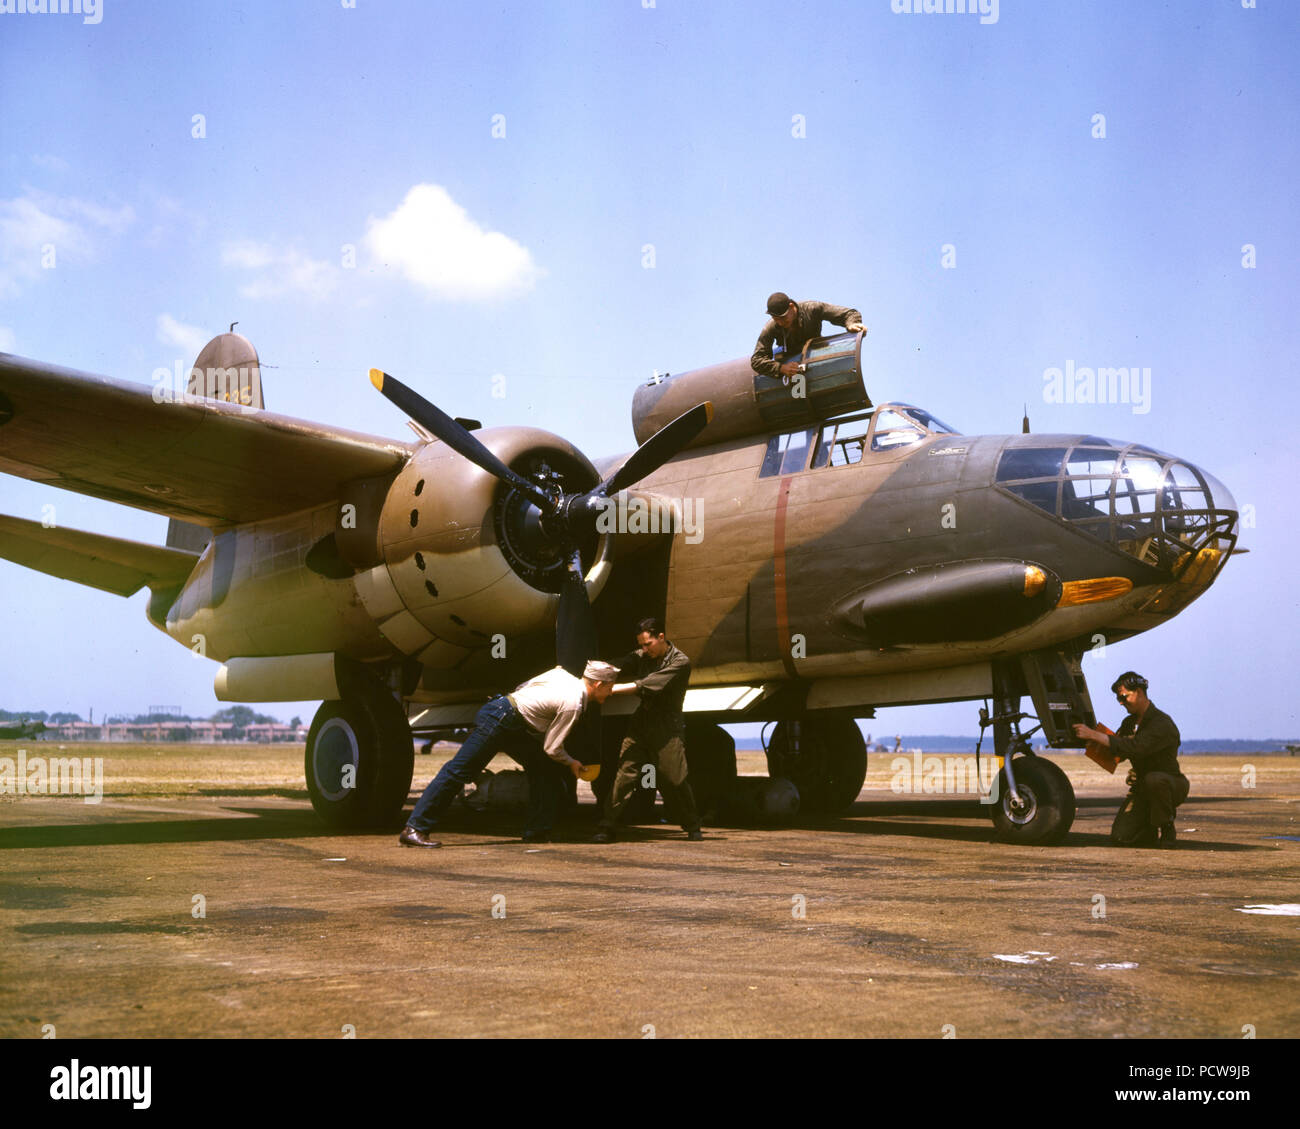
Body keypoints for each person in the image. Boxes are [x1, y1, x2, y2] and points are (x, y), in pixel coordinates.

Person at [399, 659, 620, 847]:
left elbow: (524, 685)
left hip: (509, 715)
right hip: (501, 719)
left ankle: (537, 833)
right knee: (460, 770)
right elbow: (552, 748)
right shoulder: (574, 703)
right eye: (609, 688)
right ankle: (415, 828)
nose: (610, 693)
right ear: (598, 684)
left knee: (544, 769)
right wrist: (571, 762)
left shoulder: (561, 674)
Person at [594, 618, 701, 843]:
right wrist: (593, 671)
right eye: (641, 645)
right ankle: (607, 825)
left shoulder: (680, 662)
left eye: (648, 644)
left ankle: (692, 824)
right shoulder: (643, 655)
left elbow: (645, 685)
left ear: (661, 637)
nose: (644, 649)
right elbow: (620, 664)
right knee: (624, 775)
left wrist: (608, 690)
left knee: (674, 779)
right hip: (641, 723)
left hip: (666, 728)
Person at [1072, 671, 1189, 849]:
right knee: (1122, 837)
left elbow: (1135, 747)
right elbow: (1118, 753)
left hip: (1170, 784)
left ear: (1139, 692)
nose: (1121, 702)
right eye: (1118, 698)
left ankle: (1167, 827)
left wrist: (1094, 735)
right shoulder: (1129, 723)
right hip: (1143, 787)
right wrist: (1087, 740)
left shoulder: (1161, 723)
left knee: (1155, 780)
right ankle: (1149, 826)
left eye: (1124, 697)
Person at [751, 292, 866, 380]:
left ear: (791, 307)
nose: (780, 323)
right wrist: (781, 368)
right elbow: (757, 360)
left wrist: (852, 323)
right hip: (792, 365)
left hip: (817, 357)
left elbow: (849, 314)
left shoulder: (812, 308)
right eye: (776, 319)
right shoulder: (771, 327)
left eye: (783, 318)